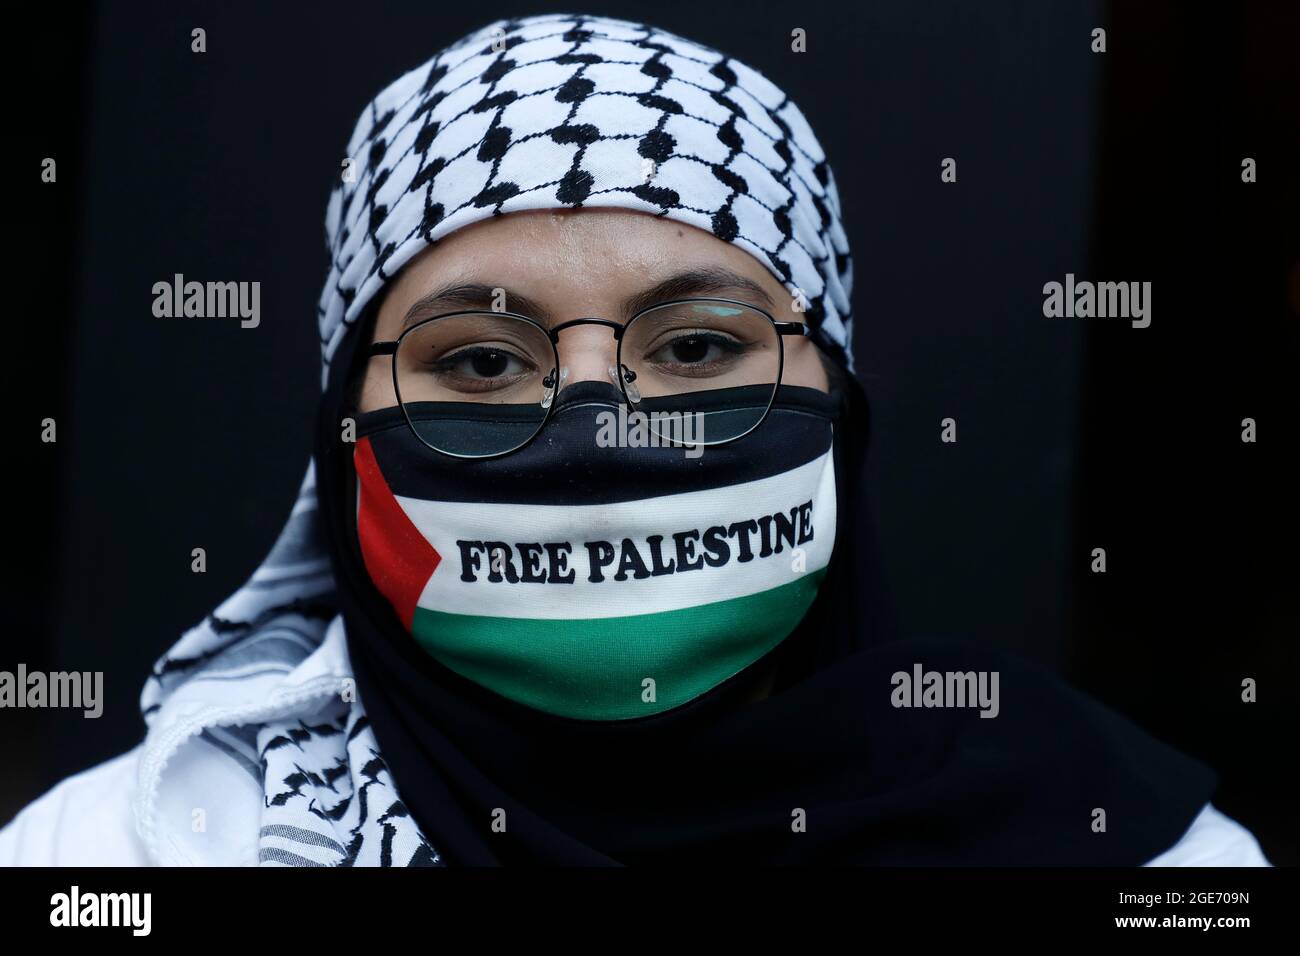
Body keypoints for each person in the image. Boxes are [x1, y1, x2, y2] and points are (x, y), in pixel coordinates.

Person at [0, 12, 1269, 866]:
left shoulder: (1145, 858)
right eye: (483, 360)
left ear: (839, 399)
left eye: (700, 346)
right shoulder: (107, 854)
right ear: (345, 426)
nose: (597, 424)